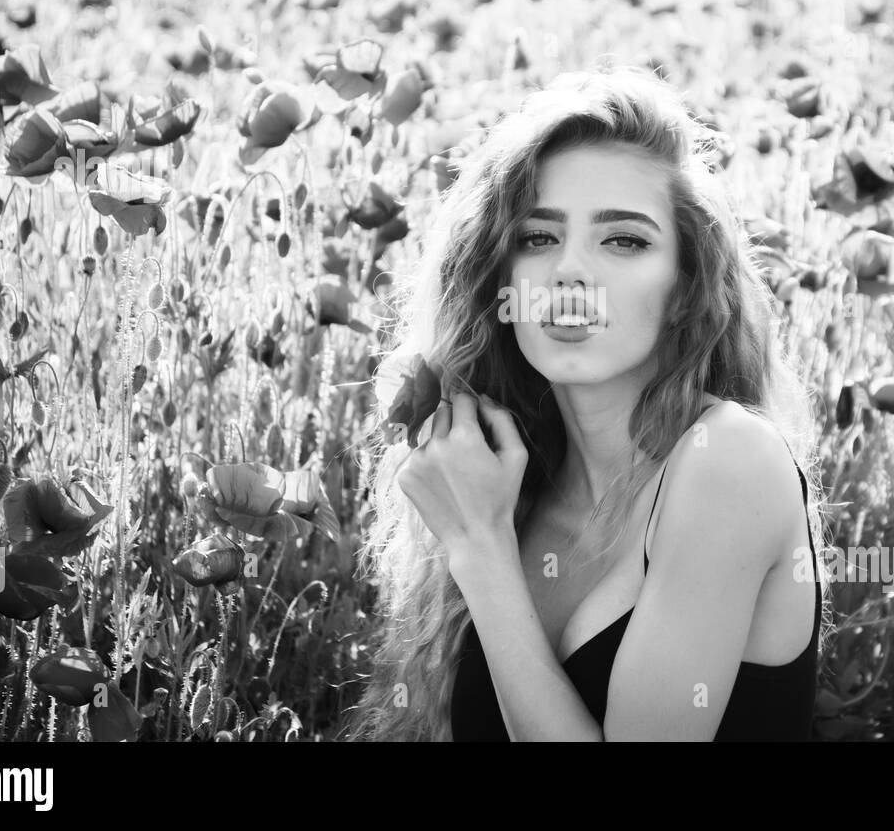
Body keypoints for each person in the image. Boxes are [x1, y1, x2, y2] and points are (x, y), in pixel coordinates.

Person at [341, 63, 830, 741]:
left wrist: (481, 550)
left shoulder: (729, 461)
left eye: (624, 239)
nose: (569, 271)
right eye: (538, 237)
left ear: (686, 284)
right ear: (499, 278)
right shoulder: (511, 480)